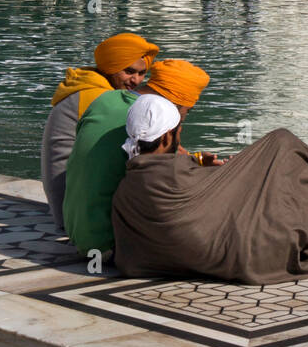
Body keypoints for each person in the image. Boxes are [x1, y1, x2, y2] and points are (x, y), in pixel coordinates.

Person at [112, 96, 308, 284]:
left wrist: (216, 168)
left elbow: (191, 187)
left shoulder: (128, 187)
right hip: (239, 255)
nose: (180, 132)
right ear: (166, 136)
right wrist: (240, 171)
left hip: (176, 256)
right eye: (179, 128)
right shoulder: (174, 174)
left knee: (275, 180)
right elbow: (196, 193)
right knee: (282, 144)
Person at [63, 58, 210, 257]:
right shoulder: (148, 122)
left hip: (77, 230)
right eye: (187, 110)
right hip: (108, 243)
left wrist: (195, 160)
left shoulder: (105, 100)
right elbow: (163, 178)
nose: (184, 117)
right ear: (174, 103)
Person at [40, 31, 159, 230]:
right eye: (129, 71)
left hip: (67, 205)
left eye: (141, 73)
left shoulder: (89, 84)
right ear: (112, 67)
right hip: (74, 212)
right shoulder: (97, 96)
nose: (136, 80)